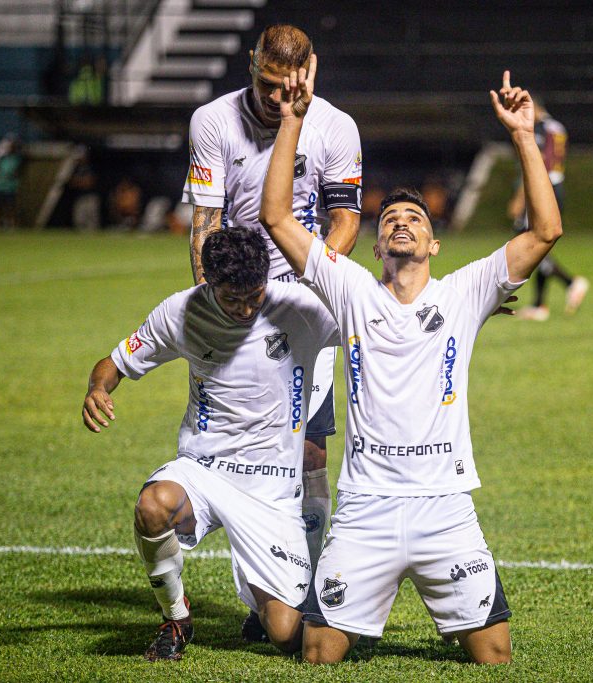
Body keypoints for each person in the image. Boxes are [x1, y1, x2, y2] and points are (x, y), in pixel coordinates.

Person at [258, 61, 561, 665]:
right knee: (317, 653)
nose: (401, 221)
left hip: (443, 507)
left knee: (494, 654)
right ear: (374, 246)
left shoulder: (464, 292)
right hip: (366, 506)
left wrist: (525, 136)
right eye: (390, 218)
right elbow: (277, 219)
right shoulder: (351, 290)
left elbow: (545, 231)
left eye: (415, 219)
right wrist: (292, 118)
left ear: (433, 245)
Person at [180, 23, 363, 639]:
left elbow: (343, 224)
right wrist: (215, 301)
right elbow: (206, 224)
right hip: (236, 308)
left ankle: (302, 589)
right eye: (265, 84)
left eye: (288, 89)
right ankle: (265, 598)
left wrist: (311, 294)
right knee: (244, 457)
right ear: (252, 65)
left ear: (310, 73)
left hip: (302, 309)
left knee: (311, 455)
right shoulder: (212, 121)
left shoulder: (336, 127)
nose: (275, 100)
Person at [81, 229, 339, 661]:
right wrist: (97, 388)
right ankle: (176, 618)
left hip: (271, 489)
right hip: (203, 469)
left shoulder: (299, 310)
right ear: (209, 281)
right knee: (152, 505)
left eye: (254, 297)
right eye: (232, 299)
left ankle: (264, 594)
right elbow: (115, 361)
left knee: (285, 634)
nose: (245, 309)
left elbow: (380, 321)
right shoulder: (181, 312)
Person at [505, 98, 587, 321]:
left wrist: (519, 198)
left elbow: (536, 162)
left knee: (528, 241)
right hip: (556, 187)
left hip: (542, 188)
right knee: (540, 244)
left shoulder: (539, 127)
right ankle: (540, 305)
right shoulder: (557, 126)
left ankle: (571, 283)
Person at [0, 135, 22, 230]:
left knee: (10, 207)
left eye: (11, 146)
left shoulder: (17, 158)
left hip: (11, 187)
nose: (9, 148)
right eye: (8, 146)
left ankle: (11, 224)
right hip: (0, 186)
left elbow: (17, 172)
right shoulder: (2, 158)